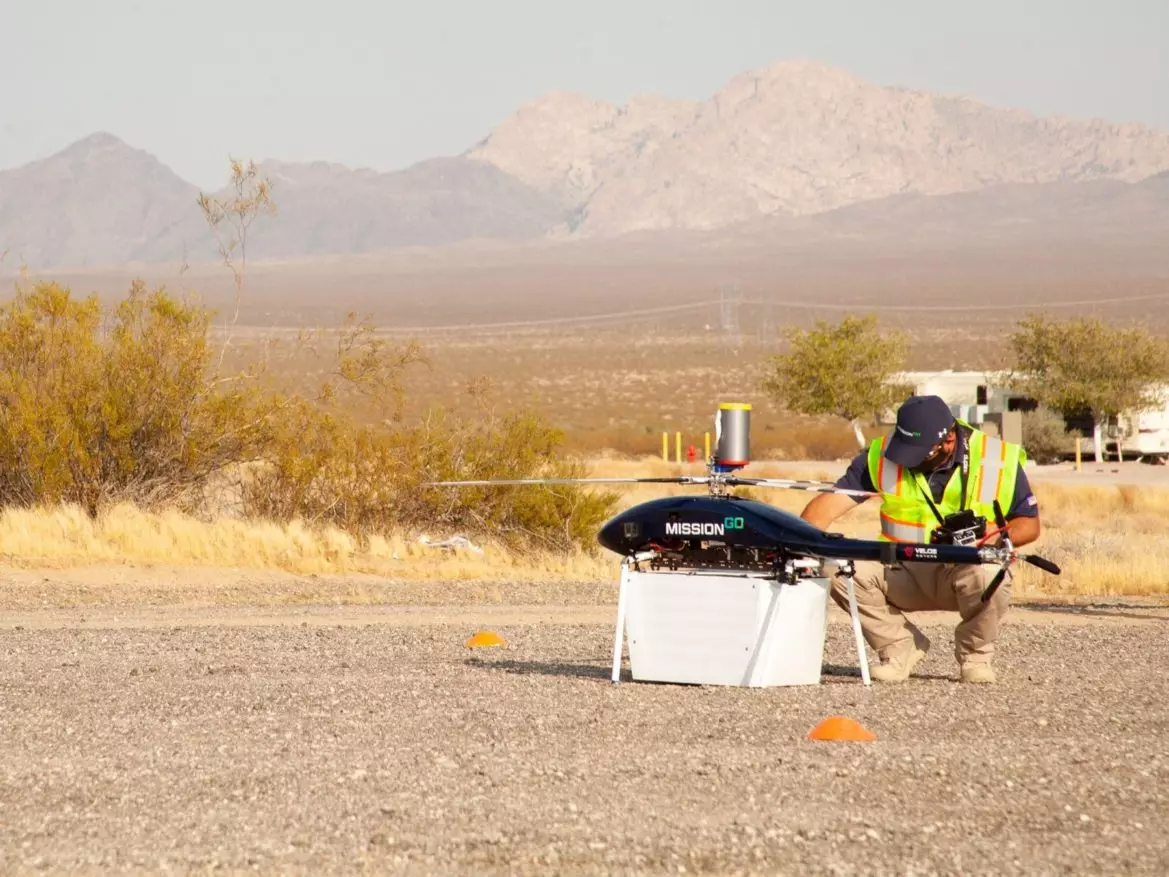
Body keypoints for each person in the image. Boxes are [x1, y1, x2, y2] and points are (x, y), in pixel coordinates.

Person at [799, 394, 1041, 684]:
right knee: (834, 565)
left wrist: (989, 536)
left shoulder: (996, 459)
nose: (905, 460)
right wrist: (799, 545)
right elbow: (821, 511)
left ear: (949, 441)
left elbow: (1029, 526)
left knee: (993, 573)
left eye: (917, 453)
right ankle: (899, 648)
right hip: (902, 570)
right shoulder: (881, 456)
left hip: (965, 570)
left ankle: (975, 656)